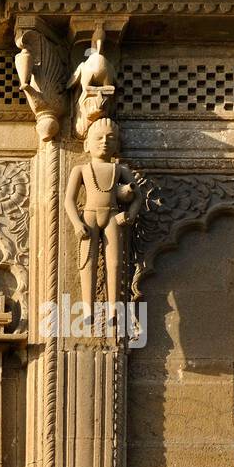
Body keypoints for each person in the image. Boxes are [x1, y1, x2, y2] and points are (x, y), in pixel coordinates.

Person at [63, 117, 142, 320]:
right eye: (98, 138)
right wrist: (77, 223)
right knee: (87, 262)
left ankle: (114, 307)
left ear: (117, 144)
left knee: (114, 262)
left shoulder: (120, 170)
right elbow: (68, 201)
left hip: (113, 215)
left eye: (110, 138)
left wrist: (130, 215)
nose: (104, 142)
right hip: (89, 215)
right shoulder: (80, 170)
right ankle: (88, 307)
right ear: (87, 144)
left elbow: (138, 197)